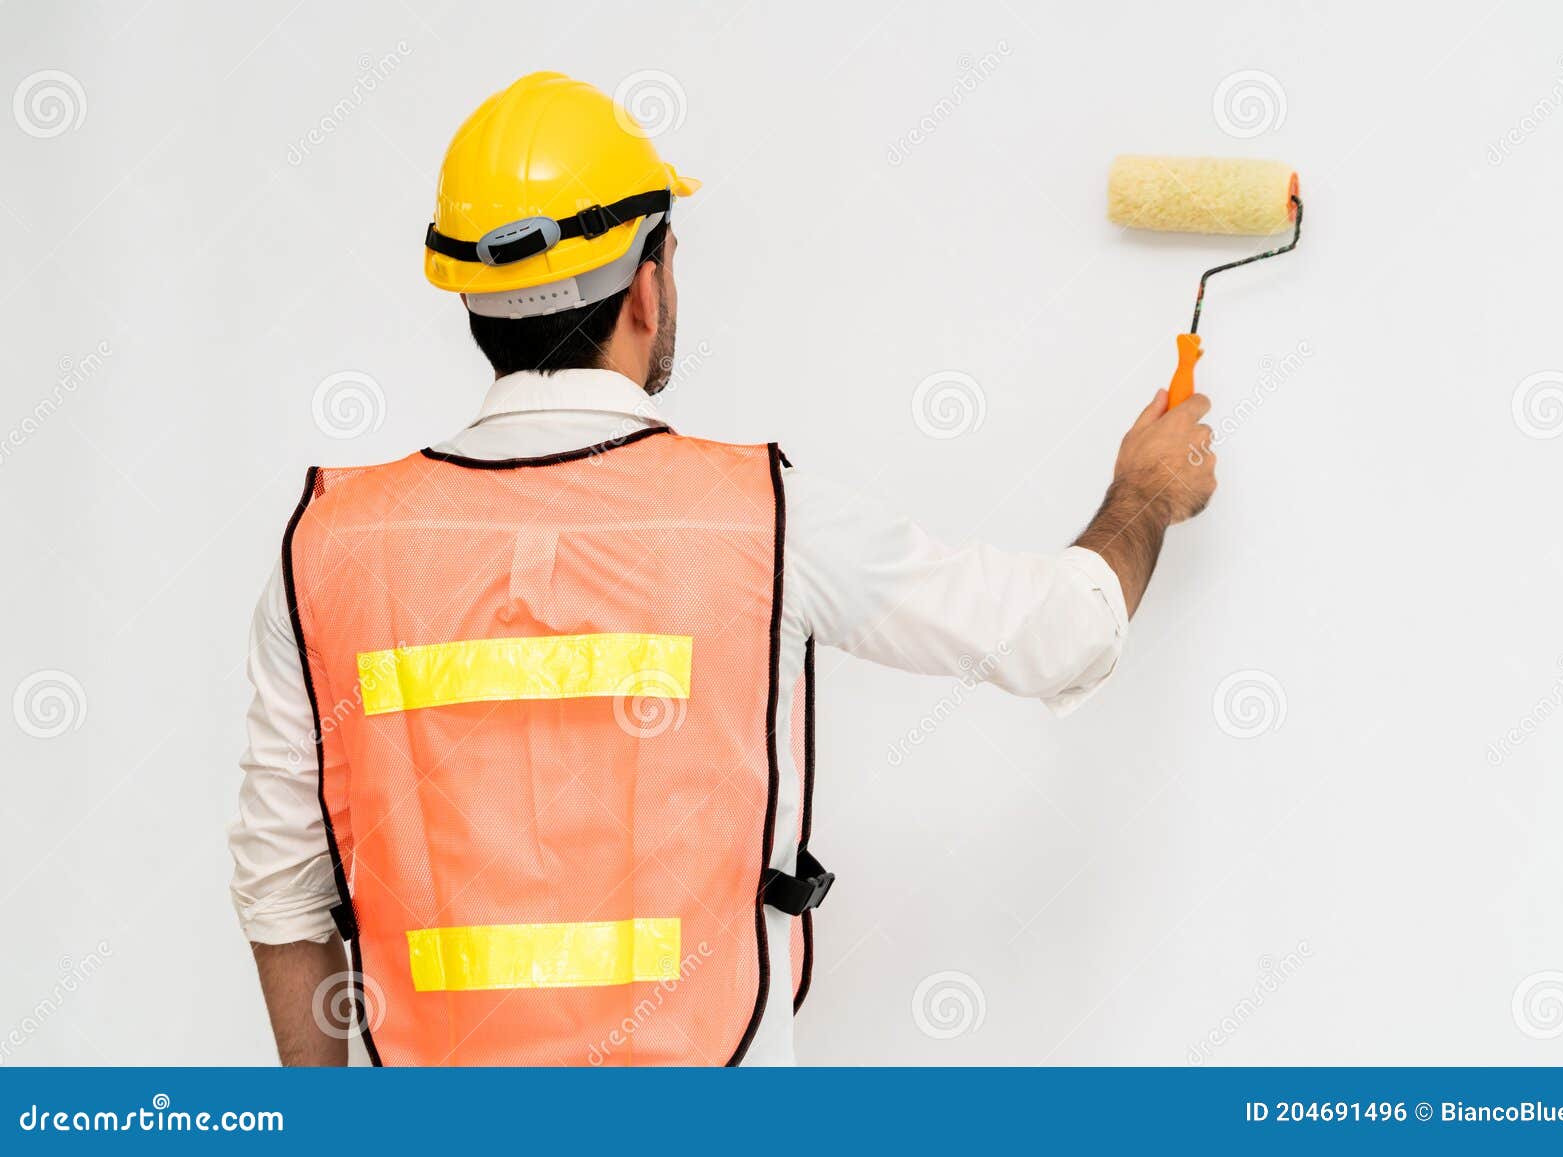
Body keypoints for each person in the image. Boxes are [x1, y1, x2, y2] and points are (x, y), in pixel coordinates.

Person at [228, 71, 1215, 1067]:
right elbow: (1062, 633)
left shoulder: (330, 545)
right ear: (647, 285)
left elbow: (280, 889)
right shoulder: (765, 518)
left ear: (471, 300)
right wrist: (1145, 493)